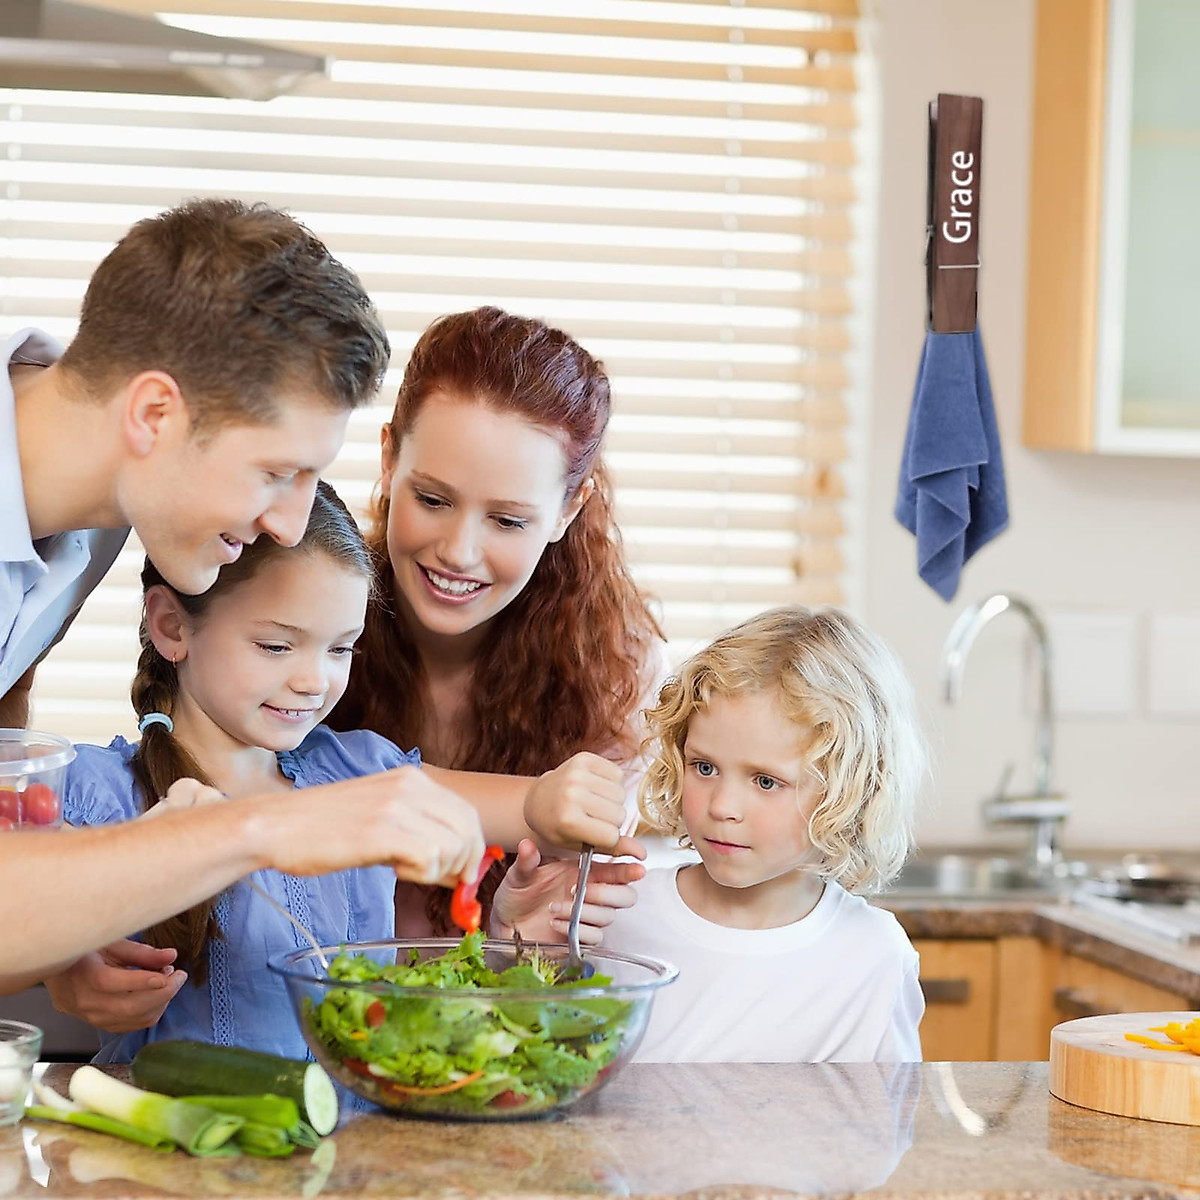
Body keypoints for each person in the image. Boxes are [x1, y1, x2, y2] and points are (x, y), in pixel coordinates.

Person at [0, 197, 490, 987]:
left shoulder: (100, 499)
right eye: (275, 472)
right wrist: (260, 826)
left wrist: (54, 933)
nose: (293, 525)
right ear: (154, 412)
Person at [46, 482, 638, 1058]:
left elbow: (526, 809)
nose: (315, 681)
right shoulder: (96, 793)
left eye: (340, 649)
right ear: (172, 627)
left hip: (363, 1149)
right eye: (277, 646)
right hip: (180, 1154)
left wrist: (557, 806)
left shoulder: (359, 771)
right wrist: (63, 960)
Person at [329, 305, 667, 935]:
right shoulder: (301, 612)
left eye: (508, 520)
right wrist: (528, 806)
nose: (458, 551)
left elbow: (541, 975)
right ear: (388, 459)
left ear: (570, 509)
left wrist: (514, 945)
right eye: (432, 499)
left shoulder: (620, 675)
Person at [603, 605, 929, 1063]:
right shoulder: (618, 914)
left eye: (765, 781)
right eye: (704, 767)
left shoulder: (874, 956)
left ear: (849, 789)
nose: (722, 807)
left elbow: (882, 1121)